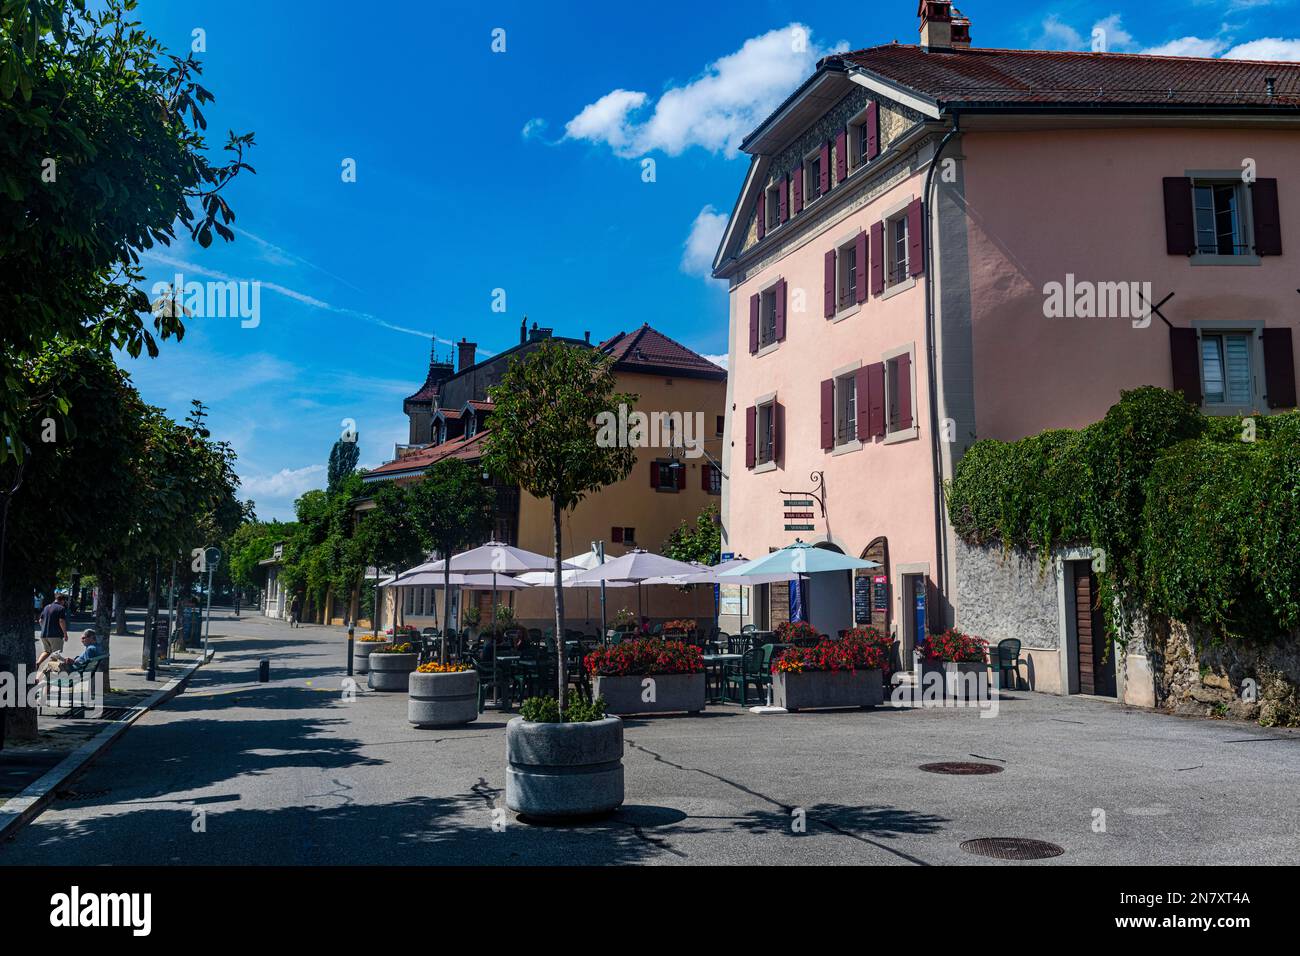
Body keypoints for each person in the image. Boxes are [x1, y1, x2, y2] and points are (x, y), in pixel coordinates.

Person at [36, 628, 102, 680]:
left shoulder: (90, 649)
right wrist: (69, 660)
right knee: (49, 670)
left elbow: (82, 664)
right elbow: (84, 662)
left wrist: (67, 660)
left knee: (49, 665)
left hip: (73, 671)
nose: (81, 640)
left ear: (91, 638)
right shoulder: (96, 647)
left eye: (83, 638)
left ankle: (37, 681)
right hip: (78, 671)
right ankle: (40, 684)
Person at [35, 592, 69, 669]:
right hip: (55, 635)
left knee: (47, 651)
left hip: (44, 634)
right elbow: (61, 621)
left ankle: (38, 663)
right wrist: (65, 634)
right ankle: (47, 673)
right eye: (64, 602)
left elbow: (40, 620)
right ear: (62, 601)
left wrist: (44, 629)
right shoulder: (61, 608)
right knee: (55, 655)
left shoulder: (47, 607)